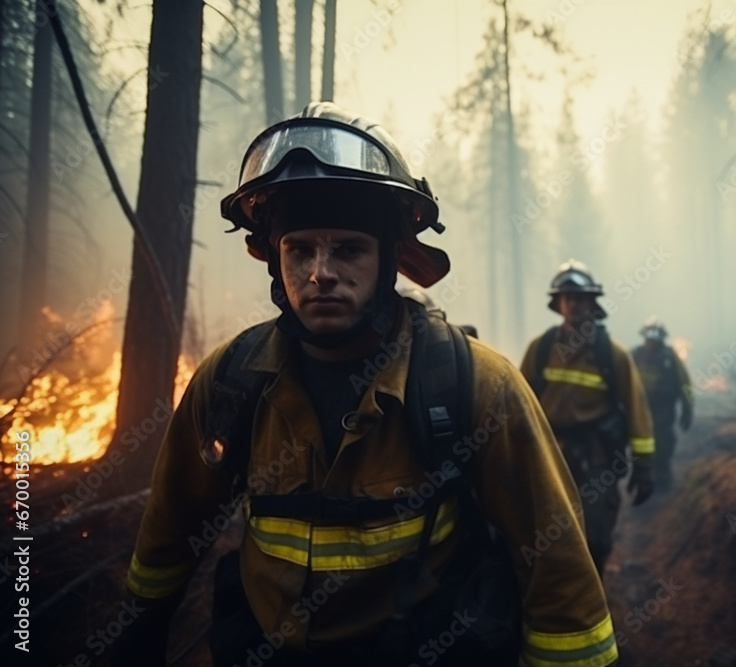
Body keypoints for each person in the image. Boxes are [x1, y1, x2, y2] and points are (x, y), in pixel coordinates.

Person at [112, 103, 617, 667]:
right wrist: (135, 637)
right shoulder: (230, 382)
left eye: (348, 249)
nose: (320, 272)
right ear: (275, 261)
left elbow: (559, 577)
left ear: (390, 261)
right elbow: (168, 536)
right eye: (299, 249)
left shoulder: (477, 385)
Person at [520, 260, 655, 576]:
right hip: (549, 459)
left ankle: (592, 607)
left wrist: (645, 465)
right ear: (558, 304)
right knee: (543, 539)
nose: (573, 304)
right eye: (567, 298)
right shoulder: (540, 349)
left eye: (580, 298)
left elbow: (637, 409)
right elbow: (517, 404)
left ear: (592, 303)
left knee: (594, 538)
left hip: (597, 462)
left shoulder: (613, 355)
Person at [631, 317, 693, 491]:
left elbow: (685, 383)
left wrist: (687, 409)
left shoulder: (670, 358)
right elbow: (622, 382)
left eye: (656, 336)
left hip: (664, 412)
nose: (652, 340)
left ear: (662, 337)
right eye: (649, 336)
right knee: (640, 447)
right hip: (639, 412)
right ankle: (643, 481)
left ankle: (663, 481)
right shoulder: (634, 356)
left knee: (663, 445)